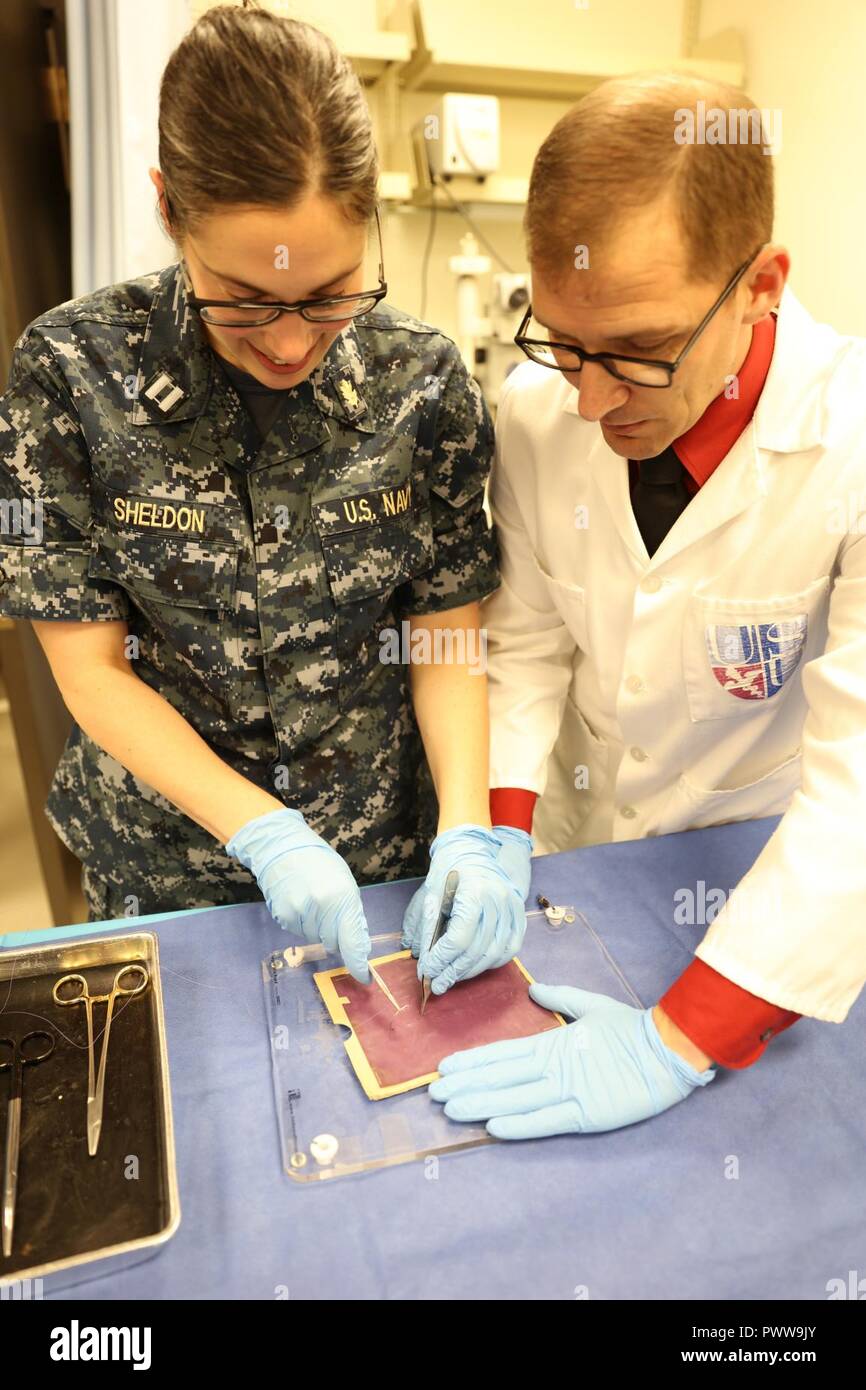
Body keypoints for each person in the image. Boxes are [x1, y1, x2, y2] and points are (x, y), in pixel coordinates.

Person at [0, 2, 526, 984]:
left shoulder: (421, 382)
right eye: (242, 301)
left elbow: (446, 632)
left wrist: (466, 828)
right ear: (166, 209)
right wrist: (263, 830)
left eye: (329, 294)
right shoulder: (68, 375)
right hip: (167, 872)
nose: (289, 342)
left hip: (385, 869)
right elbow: (90, 669)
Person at [432, 73, 866, 1136]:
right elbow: (528, 645)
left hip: (760, 872)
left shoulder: (849, 441)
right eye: (563, 342)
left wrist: (678, 1036)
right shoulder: (538, 415)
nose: (589, 399)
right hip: (584, 847)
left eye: (635, 350)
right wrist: (497, 831)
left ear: (760, 282)